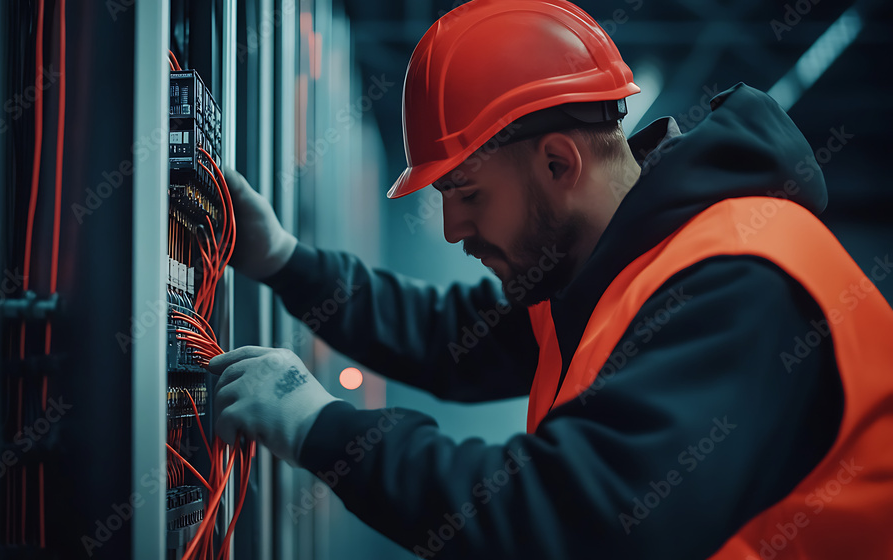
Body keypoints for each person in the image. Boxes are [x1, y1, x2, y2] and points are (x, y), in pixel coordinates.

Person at [207, 0, 893, 558]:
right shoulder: (602, 273)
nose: (452, 229)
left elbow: (578, 520)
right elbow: (447, 338)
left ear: (559, 163)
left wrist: (321, 429)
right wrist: (281, 258)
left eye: (467, 193)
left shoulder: (743, 281)